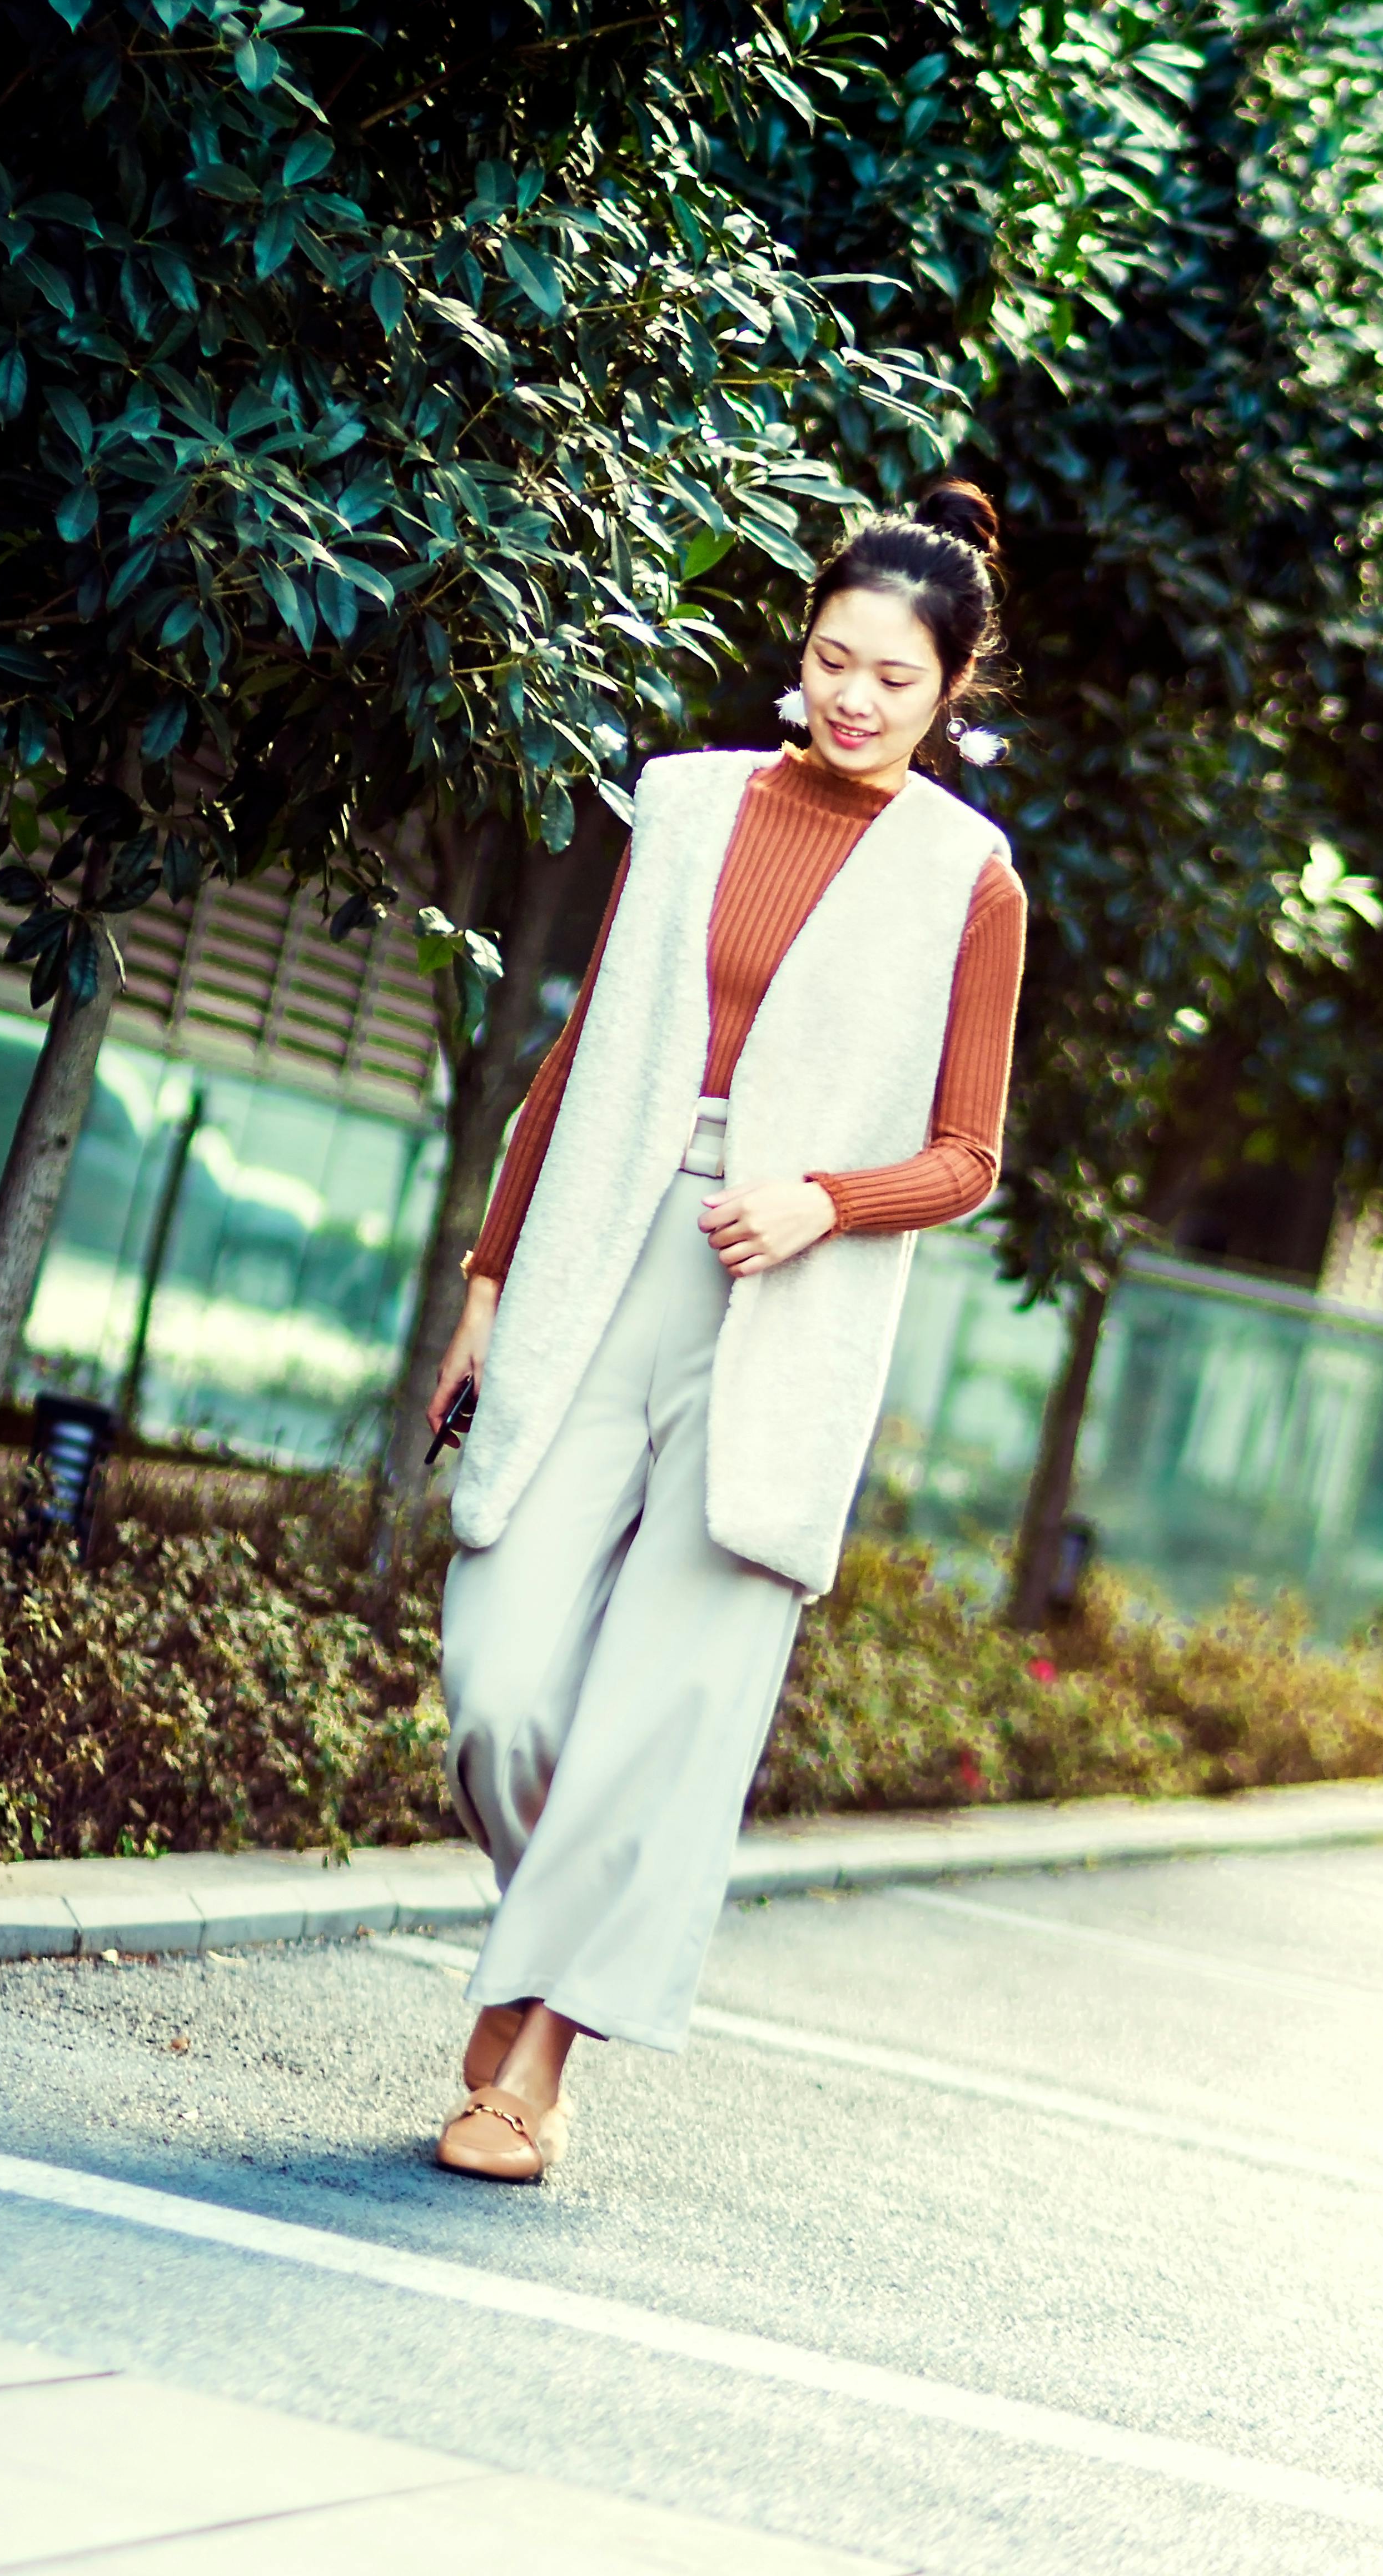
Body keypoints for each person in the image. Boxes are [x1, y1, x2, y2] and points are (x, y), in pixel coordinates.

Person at [423, 481, 1028, 2180]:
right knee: (502, 1679)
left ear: (951, 692)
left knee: (670, 1707)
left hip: (785, 1308)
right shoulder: (684, 807)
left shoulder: (967, 881)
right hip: (600, 1263)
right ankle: (554, 1931)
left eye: (894, 681)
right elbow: (580, 1056)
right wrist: (484, 1288)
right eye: (834, 659)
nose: (853, 698)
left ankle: (532, 2056)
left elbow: (971, 1155)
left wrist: (827, 1198)